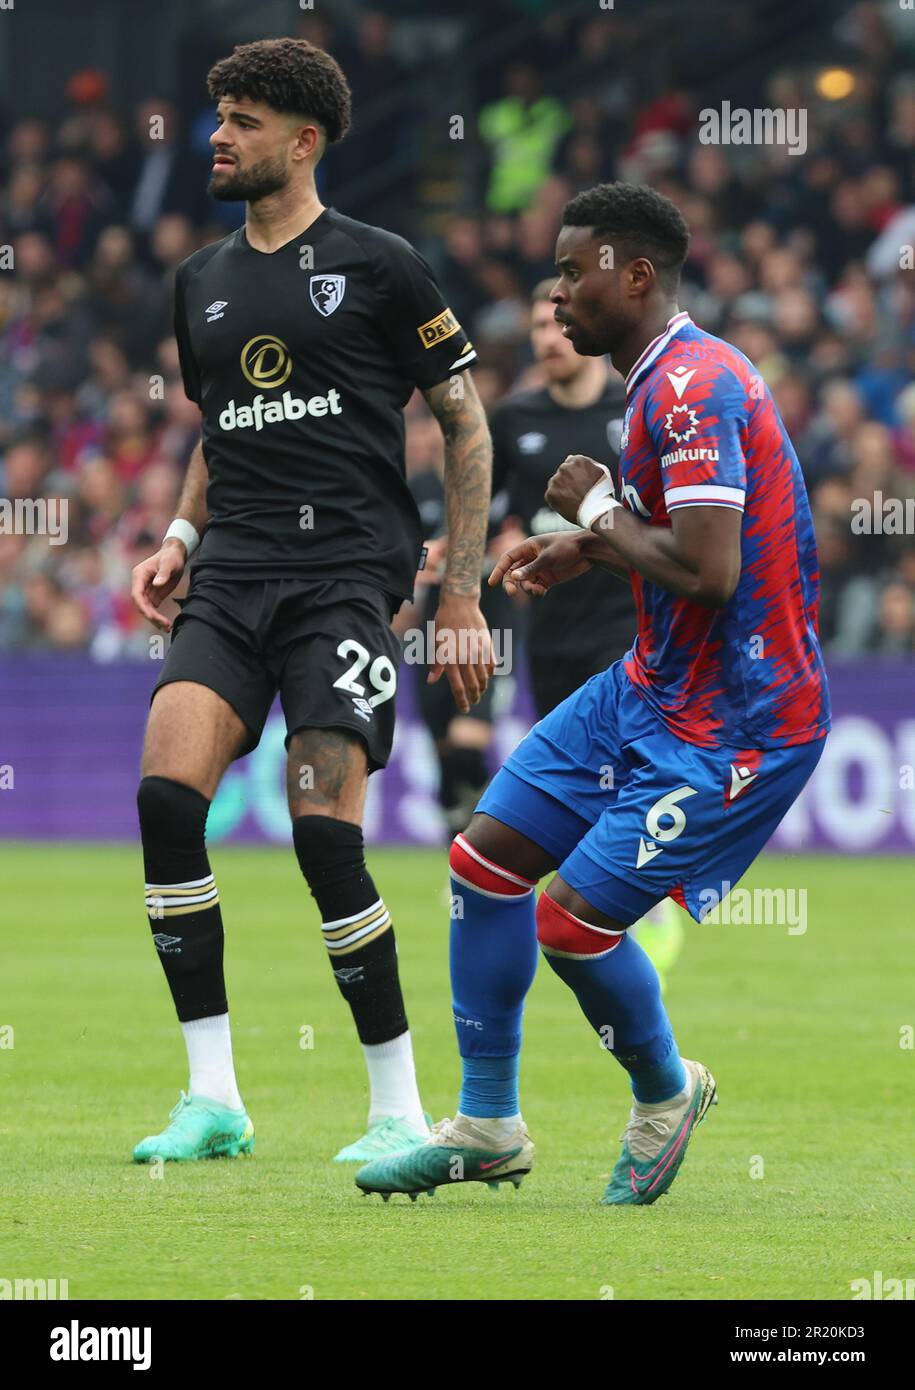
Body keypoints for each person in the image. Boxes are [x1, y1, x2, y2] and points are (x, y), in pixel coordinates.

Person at [355, 182, 830, 1205]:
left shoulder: (694, 386)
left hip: (737, 725)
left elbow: (713, 574)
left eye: (575, 271)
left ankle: (666, 1092)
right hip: (651, 687)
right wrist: (589, 547)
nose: (560, 292)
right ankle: (487, 1124)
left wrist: (600, 505)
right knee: (483, 862)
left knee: (570, 923)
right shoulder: (656, 381)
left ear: (636, 273)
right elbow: (686, 555)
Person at [128, 37, 493, 1166]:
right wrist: (181, 536)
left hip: (346, 578)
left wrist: (463, 595)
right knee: (163, 801)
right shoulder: (201, 280)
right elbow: (216, 425)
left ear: (304, 139)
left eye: (240, 120)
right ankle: (214, 1098)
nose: (218, 139)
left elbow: (465, 421)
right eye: (217, 119)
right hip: (232, 571)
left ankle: (393, 1108)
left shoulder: (382, 264)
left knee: (321, 839)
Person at [491, 278, 685, 983]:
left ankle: (639, 904)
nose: (548, 337)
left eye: (555, 323)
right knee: (580, 781)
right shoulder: (513, 420)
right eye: (536, 327)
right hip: (547, 626)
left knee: (634, 774)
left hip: (621, 624)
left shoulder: (629, 409)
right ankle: (598, 908)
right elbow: (495, 519)